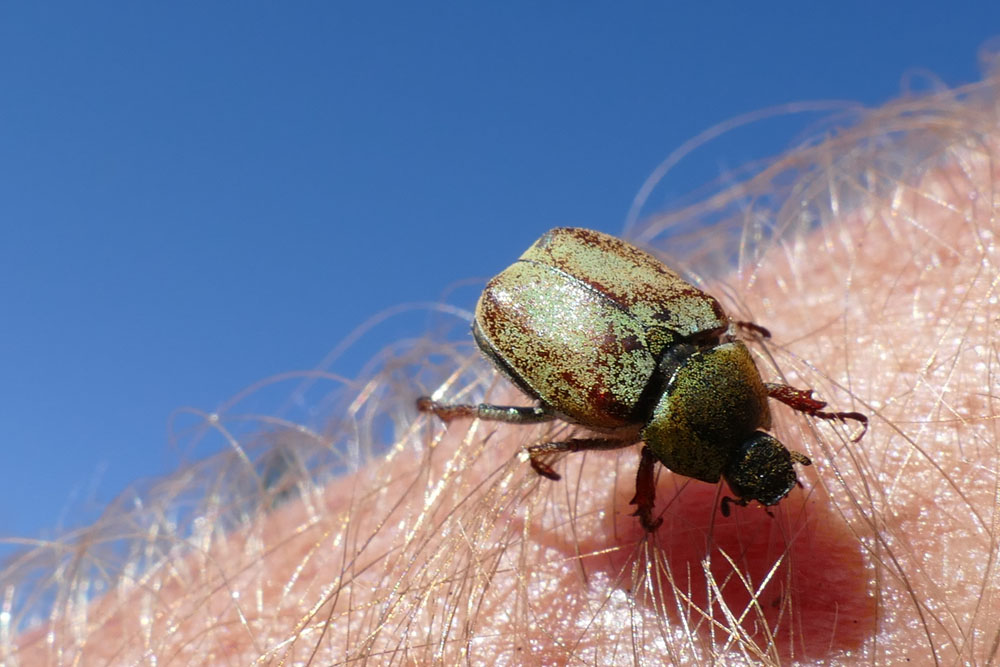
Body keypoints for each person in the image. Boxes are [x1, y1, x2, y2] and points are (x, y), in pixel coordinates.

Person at [7, 69, 999, 666]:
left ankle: (450, 411)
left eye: (747, 460)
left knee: (565, 430)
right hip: (549, 321)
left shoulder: (713, 367)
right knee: (541, 427)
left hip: (594, 299)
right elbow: (663, 442)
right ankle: (460, 409)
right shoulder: (678, 407)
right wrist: (662, 503)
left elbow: (713, 392)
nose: (759, 457)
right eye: (763, 445)